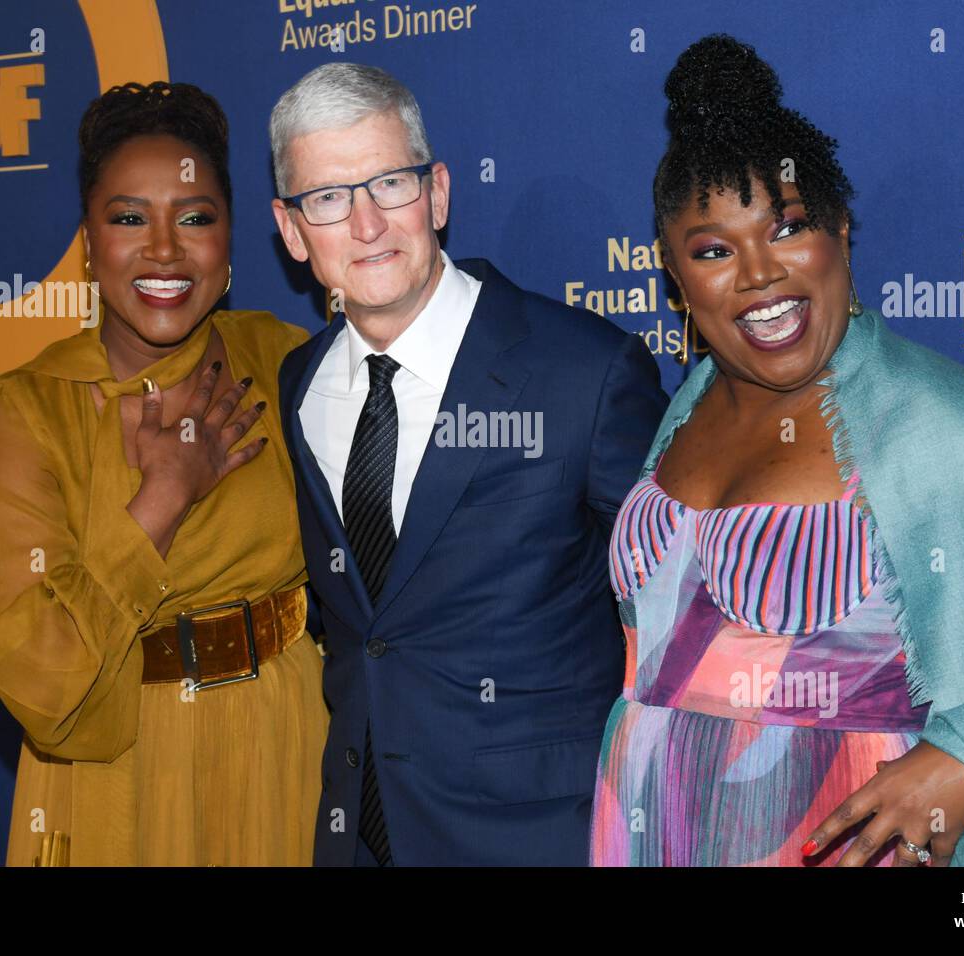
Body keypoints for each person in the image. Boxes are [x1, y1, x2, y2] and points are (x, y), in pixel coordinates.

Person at [591, 34, 964, 867]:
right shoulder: (686, 409)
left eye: (789, 228)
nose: (759, 273)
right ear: (672, 278)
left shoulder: (936, 425)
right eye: (712, 250)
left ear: (843, 234)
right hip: (646, 831)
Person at [269, 63, 668, 866]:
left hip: (538, 839)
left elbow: (682, 611)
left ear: (439, 193)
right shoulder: (301, 385)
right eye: (329, 199)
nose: (367, 224)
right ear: (291, 231)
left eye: (391, 184)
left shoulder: (583, 373)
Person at [0, 81, 328, 866]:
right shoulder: (22, 414)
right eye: (129, 218)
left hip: (286, 744)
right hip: (116, 775)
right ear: (89, 243)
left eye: (195, 218)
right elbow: (39, 677)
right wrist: (163, 497)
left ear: (231, 241)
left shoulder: (284, 358)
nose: (164, 250)